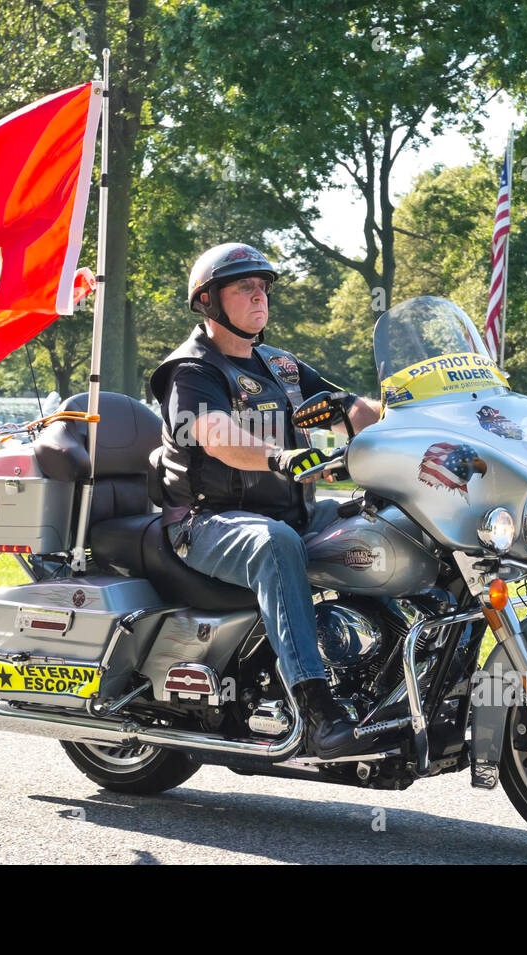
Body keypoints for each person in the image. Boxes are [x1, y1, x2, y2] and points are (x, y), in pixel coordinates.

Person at [148, 243, 384, 759]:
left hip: (289, 510)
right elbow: (213, 433)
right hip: (205, 522)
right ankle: (316, 707)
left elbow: (350, 409)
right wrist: (279, 457)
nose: (260, 297)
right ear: (209, 301)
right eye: (245, 288)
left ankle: (391, 670)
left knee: (384, 523)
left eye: (264, 288)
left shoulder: (279, 366)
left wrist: (408, 428)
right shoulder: (191, 370)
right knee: (275, 545)